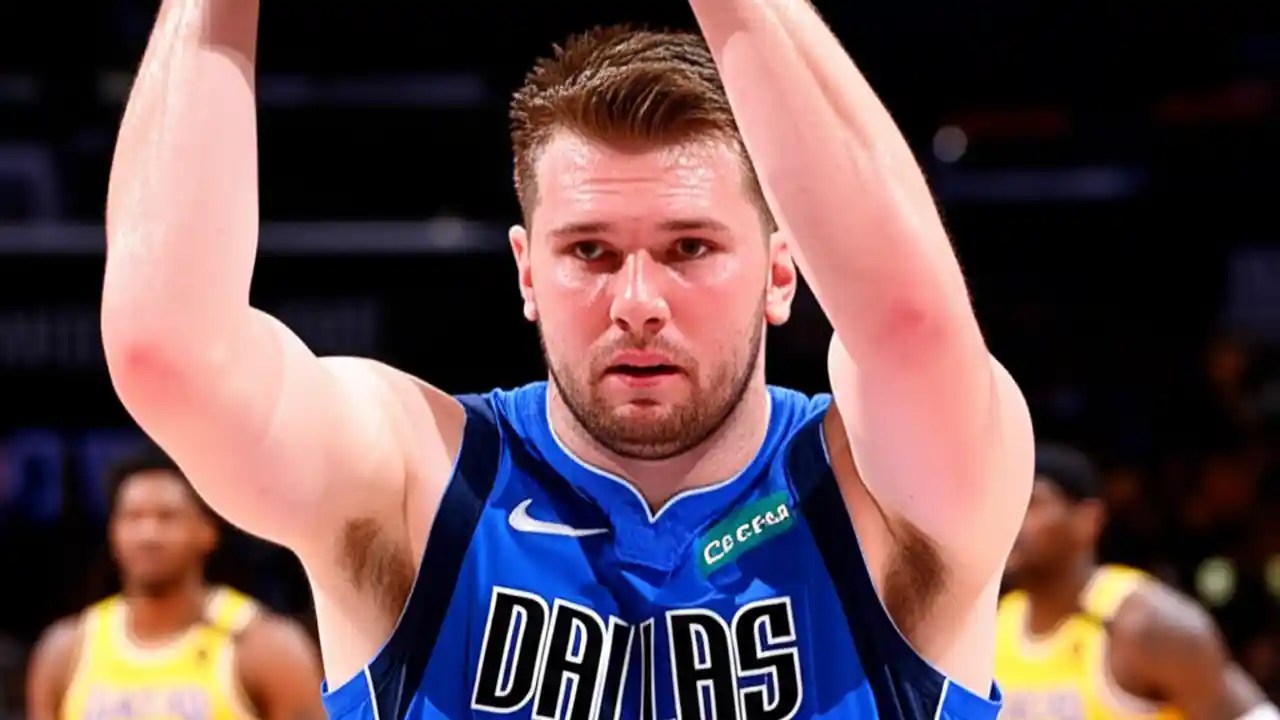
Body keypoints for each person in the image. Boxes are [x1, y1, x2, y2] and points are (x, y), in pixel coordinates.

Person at [98, 0, 1036, 717]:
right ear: (527, 272)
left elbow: (911, 323)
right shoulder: (418, 481)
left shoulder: (883, 495)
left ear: (782, 273)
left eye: (690, 248)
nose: (637, 302)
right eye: (589, 251)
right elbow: (170, 351)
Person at [25, 447, 326, 720]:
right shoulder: (67, 650)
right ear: (113, 532)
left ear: (208, 532)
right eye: (133, 517)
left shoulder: (265, 647)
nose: (148, 534)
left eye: (166, 517)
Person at [995, 442, 1277, 720]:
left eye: (1031, 504)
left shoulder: (1146, 625)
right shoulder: (995, 623)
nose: (1011, 519)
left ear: (1088, 519)